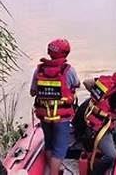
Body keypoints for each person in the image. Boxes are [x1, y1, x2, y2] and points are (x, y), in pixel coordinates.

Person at [30, 38, 80, 175]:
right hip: (62, 118)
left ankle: (57, 168)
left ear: (49, 51)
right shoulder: (68, 70)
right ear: (66, 53)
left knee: (49, 143)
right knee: (60, 148)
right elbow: (76, 85)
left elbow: (32, 92)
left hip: (44, 115)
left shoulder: (39, 70)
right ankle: (54, 172)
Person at [80, 63, 116, 175]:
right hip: (101, 129)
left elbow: (86, 82)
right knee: (111, 156)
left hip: (89, 121)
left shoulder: (106, 80)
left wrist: (97, 98)